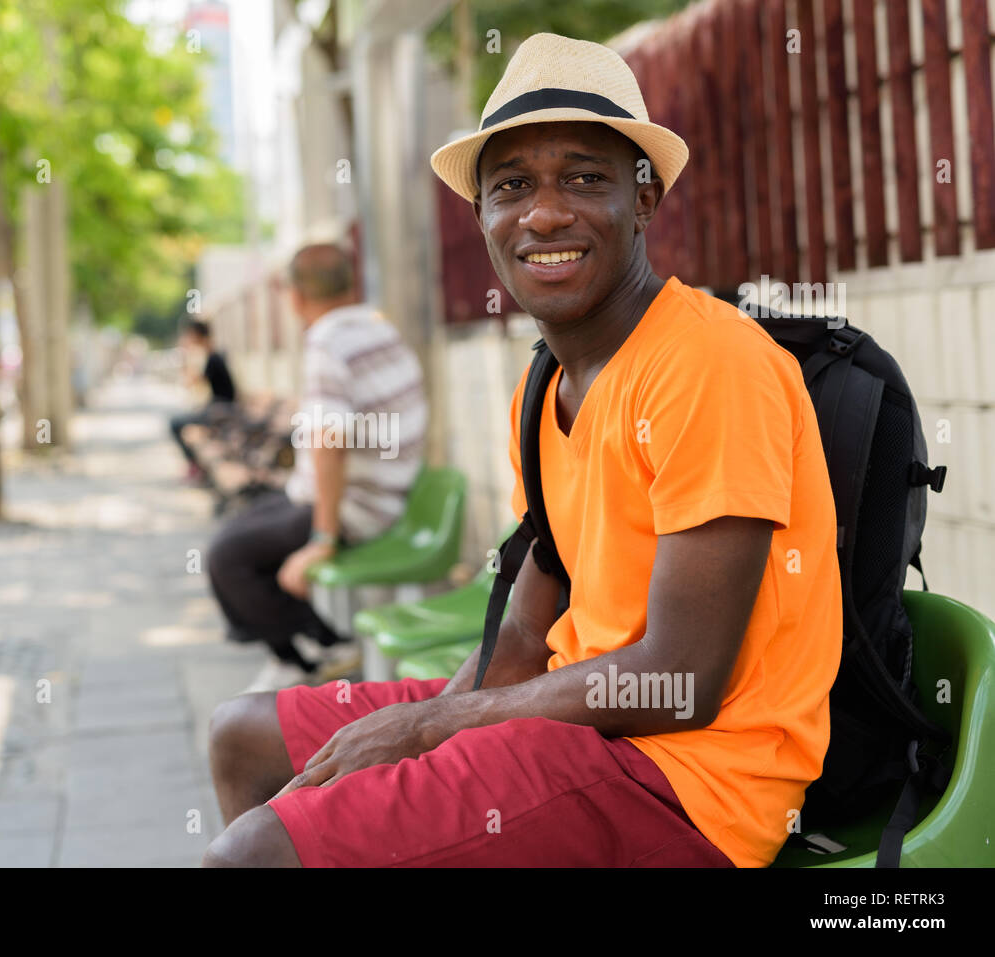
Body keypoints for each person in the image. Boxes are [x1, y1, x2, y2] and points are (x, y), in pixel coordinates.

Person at [203, 33, 842, 867]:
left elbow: (680, 681)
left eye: (584, 178)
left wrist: (430, 726)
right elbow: (519, 640)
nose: (544, 213)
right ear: (483, 218)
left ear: (643, 199)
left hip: (687, 781)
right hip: (579, 727)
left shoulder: (708, 362)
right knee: (243, 736)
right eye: (512, 187)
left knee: (253, 852)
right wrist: (420, 725)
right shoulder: (544, 386)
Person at [206, 243, 428, 695]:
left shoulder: (327, 340)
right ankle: (316, 645)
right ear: (351, 284)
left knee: (227, 556)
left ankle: (316, 651)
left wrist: (322, 540)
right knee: (240, 527)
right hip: (379, 492)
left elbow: (330, 441)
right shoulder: (378, 328)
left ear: (294, 296)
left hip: (357, 505)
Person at [168, 320, 236, 482]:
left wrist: (184, 355)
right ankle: (196, 465)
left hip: (221, 410)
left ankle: (195, 466)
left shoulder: (213, 358)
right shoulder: (214, 355)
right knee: (181, 422)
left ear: (197, 336)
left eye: (190, 335)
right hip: (218, 407)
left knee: (175, 424)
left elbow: (191, 382)